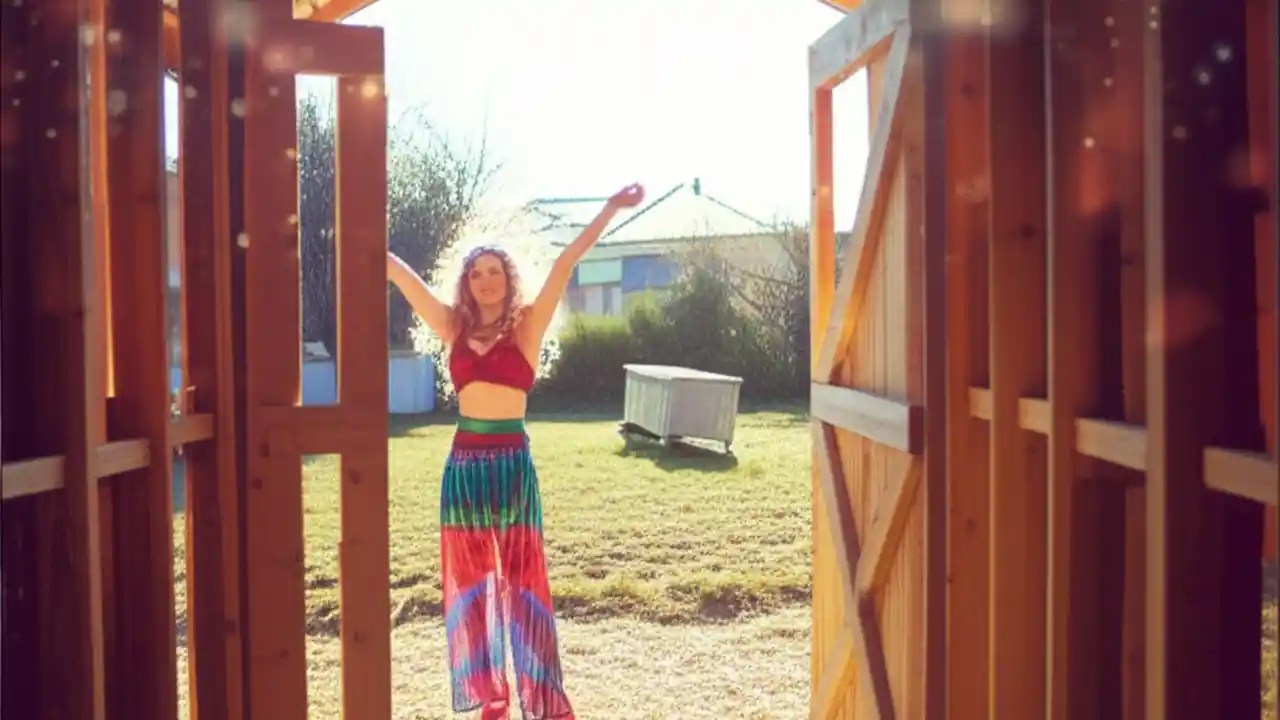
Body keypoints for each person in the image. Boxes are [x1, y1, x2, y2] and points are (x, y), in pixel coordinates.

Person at [385, 182, 645, 720]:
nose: (484, 281)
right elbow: (394, 271)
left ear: (509, 279)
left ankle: (545, 701)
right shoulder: (452, 327)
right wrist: (358, 234)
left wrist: (608, 208)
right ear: (466, 282)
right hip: (463, 469)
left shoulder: (527, 325)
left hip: (511, 466)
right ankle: (492, 700)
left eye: (494, 271)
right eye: (475, 273)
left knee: (524, 584)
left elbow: (568, 261)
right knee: (472, 587)